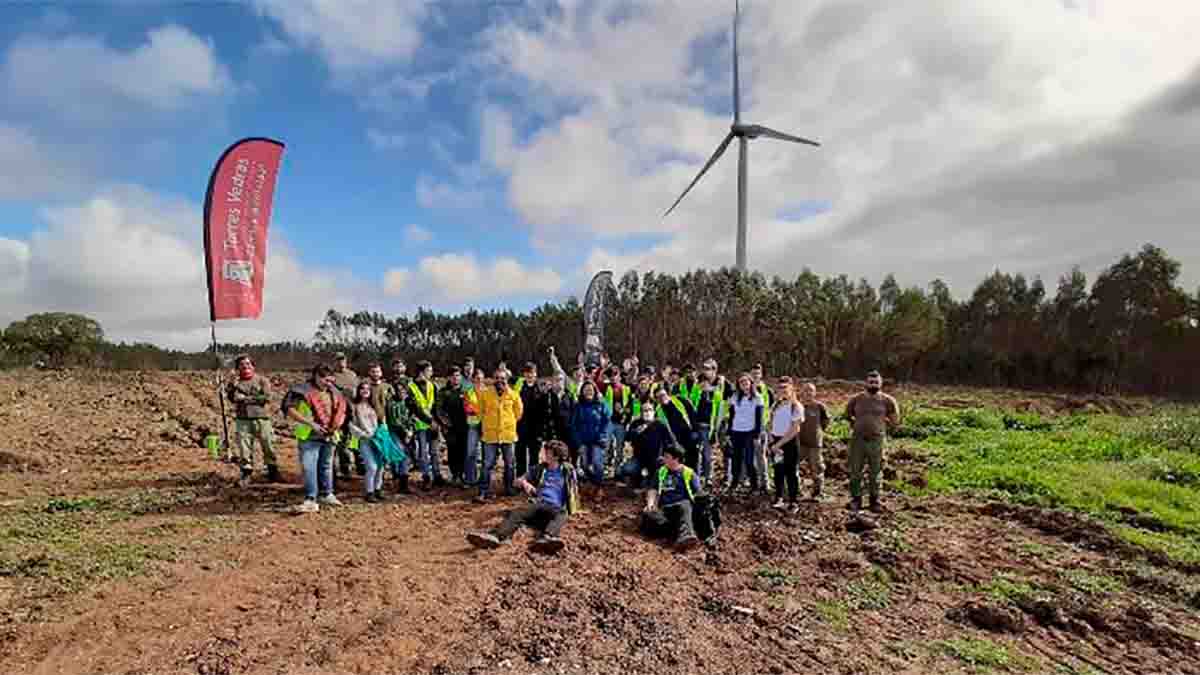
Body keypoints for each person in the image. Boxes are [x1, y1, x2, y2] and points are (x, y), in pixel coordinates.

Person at [465, 440, 579, 554]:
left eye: (548, 452)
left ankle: (547, 538)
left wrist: (573, 507)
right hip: (537, 504)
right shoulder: (540, 469)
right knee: (518, 512)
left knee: (562, 513)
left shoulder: (567, 470)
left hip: (554, 510)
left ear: (556, 456)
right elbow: (516, 482)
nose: (545, 455)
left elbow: (574, 492)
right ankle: (496, 536)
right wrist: (525, 483)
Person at [283, 364, 347, 513]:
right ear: (316, 376)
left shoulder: (335, 392)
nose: (327, 382)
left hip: (329, 435)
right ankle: (311, 499)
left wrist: (337, 424)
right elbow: (290, 409)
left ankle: (327, 494)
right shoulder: (301, 391)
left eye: (330, 379)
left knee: (326, 466)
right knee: (309, 467)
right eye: (324, 378)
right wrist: (311, 424)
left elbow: (343, 410)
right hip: (309, 435)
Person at [845, 371, 900, 513]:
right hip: (858, 440)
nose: (873, 384)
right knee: (855, 471)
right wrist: (855, 424)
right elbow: (847, 414)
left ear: (881, 383)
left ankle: (874, 501)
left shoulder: (888, 401)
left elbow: (895, 420)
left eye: (876, 382)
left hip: (877, 440)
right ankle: (856, 499)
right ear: (866, 383)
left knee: (875, 472)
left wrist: (882, 429)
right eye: (870, 382)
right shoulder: (856, 399)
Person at [225, 355, 279, 486]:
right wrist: (231, 385)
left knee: (268, 445)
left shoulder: (262, 381)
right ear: (238, 368)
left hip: (262, 418)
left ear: (253, 366)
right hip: (242, 419)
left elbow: (266, 398)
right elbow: (232, 398)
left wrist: (245, 399)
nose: (245, 367)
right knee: (244, 448)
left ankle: (273, 472)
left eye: (248, 364)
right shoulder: (236, 383)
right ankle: (246, 473)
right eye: (242, 365)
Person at [640, 446, 703, 551]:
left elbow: (698, 493)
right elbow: (653, 490)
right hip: (665, 508)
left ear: (676, 459)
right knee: (648, 515)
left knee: (685, 506)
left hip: (682, 508)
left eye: (667, 457)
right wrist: (650, 504)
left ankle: (686, 536)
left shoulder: (689, 473)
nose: (663, 459)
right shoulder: (661, 471)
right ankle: (674, 531)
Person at [477, 366, 524, 500]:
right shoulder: (485, 394)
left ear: (507, 380)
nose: (499, 381)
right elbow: (480, 412)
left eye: (502, 378)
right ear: (493, 379)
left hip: (508, 435)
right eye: (497, 378)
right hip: (490, 435)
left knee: (509, 464)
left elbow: (518, 412)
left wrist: (508, 423)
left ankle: (509, 488)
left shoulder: (513, 394)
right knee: (487, 464)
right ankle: (483, 490)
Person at [766, 378, 805, 510]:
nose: (783, 390)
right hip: (775, 441)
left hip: (789, 442)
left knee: (791, 472)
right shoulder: (776, 405)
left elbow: (795, 429)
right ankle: (779, 497)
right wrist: (771, 440)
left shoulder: (796, 406)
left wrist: (779, 445)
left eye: (785, 388)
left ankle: (793, 501)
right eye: (780, 388)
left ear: (791, 389)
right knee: (778, 471)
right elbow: (770, 423)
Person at [618, 404, 676, 489]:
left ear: (653, 412)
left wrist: (665, 457)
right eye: (645, 410)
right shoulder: (636, 423)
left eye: (650, 410)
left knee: (658, 477)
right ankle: (637, 481)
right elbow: (627, 438)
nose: (647, 412)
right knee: (626, 469)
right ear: (641, 413)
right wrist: (636, 432)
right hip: (638, 458)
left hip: (656, 458)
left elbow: (670, 442)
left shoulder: (660, 424)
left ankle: (652, 481)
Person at [349, 381, 388, 503]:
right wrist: (362, 434)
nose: (365, 391)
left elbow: (381, 422)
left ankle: (378, 489)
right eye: (362, 389)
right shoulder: (354, 406)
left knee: (380, 466)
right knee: (372, 466)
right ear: (358, 391)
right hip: (365, 441)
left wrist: (382, 432)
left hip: (378, 440)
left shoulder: (374, 406)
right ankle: (369, 492)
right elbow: (350, 424)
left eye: (367, 389)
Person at [726, 373, 764, 492]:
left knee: (749, 460)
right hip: (736, 432)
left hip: (750, 432)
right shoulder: (735, 397)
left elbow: (759, 418)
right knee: (736, 459)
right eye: (741, 382)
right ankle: (734, 482)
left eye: (746, 382)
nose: (744, 384)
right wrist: (729, 432)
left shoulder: (757, 398)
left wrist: (757, 435)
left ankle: (754, 485)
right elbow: (731, 416)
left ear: (750, 383)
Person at [407, 360, 442, 489]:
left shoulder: (432, 385)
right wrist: (430, 421)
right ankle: (426, 477)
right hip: (421, 424)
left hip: (433, 424)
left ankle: (437, 476)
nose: (431, 373)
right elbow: (415, 408)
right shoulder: (411, 387)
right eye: (429, 370)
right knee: (423, 452)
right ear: (422, 371)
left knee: (435, 451)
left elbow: (436, 406)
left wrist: (437, 422)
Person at [570, 381, 610, 483]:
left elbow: (606, 421)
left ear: (595, 391)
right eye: (586, 390)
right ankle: (589, 481)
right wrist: (579, 443)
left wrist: (602, 437)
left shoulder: (601, 404)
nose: (588, 392)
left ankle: (598, 483)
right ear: (582, 392)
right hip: (583, 441)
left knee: (597, 462)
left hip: (598, 440)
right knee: (585, 464)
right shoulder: (578, 406)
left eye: (590, 390)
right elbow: (574, 426)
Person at [513, 361, 547, 482]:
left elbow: (544, 412)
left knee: (534, 457)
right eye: (527, 373)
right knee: (520, 456)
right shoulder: (519, 387)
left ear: (535, 374)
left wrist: (542, 431)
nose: (529, 375)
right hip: (521, 428)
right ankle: (520, 480)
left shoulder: (541, 390)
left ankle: (533, 481)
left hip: (535, 430)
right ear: (524, 374)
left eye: (532, 373)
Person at [331, 352, 362, 481]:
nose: (341, 362)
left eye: (343, 360)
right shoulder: (332, 376)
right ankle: (345, 468)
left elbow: (359, 392)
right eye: (338, 360)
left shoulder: (352, 375)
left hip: (353, 412)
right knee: (342, 442)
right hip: (339, 413)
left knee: (357, 440)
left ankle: (361, 467)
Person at [798, 382, 831, 500]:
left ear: (814, 393)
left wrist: (819, 431)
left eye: (810, 390)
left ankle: (817, 492)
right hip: (799, 442)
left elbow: (826, 421)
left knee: (816, 467)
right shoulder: (797, 406)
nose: (808, 393)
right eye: (805, 390)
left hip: (815, 443)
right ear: (801, 392)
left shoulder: (819, 407)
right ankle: (797, 490)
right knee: (793, 466)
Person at [437, 367, 469, 486]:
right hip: (450, 428)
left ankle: (463, 475)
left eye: (457, 376)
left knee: (464, 451)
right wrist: (445, 423)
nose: (455, 378)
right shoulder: (444, 392)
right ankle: (455, 475)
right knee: (453, 451)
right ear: (449, 378)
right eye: (453, 376)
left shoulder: (466, 391)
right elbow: (439, 409)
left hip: (464, 427)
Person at [654, 386, 697, 468]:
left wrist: (695, 431)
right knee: (683, 460)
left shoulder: (680, 400)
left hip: (690, 433)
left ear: (668, 394)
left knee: (694, 458)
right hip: (676, 439)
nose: (662, 398)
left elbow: (692, 414)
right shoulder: (658, 411)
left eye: (663, 395)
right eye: (658, 397)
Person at [385, 379, 416, 494]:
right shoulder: (392, 404)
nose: (402, 393)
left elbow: (411, 418)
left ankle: (403, 482)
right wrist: (406, 433)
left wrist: (411, 430)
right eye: (399, 391)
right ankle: (398, 478)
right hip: (395, 432)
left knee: (406, 456)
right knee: (400, 453)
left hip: (407, 432)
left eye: (404, 391)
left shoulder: (407, 402)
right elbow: (395, 421)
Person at [602, 367, 630, 476]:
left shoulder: (627, 389)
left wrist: (626, 414)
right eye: (611, 376)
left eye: (615, 375)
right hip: (609, 421)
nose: (613, 378)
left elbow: (630, 405)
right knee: (606, 445)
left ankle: (617, 469)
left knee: (620, 446)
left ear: (619, 376)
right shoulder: (605, 388)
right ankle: (604, 468)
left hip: (621, 423)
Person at [750, 363, 773, 494]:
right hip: (747, 427)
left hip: (762, 427)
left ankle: (765, 482)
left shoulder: (767, 391)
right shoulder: (746, 390)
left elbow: (771, 410)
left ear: (761, 374)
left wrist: (769, 429)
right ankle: (752, 482)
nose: (756, 376)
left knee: (761, 456)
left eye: (758, 373)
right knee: (749, 457)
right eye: (753, 374)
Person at [463, 369, 485, 490]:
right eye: (477, 378)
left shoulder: (487, 392)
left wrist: (477, 410)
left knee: (485, 455)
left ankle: (483, 479)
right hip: (473, 426)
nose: (479, 380)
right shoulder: (468, 392)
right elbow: (467, 408)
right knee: (471, 452)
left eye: (481, 378)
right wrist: (480, 410)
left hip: (485, 426)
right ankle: (470, 479)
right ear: (473, 380)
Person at [544, 370, 575, 446]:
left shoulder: (570, 396)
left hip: (568, 435)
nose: (559, 382)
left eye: (561, 379)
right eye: (556, 380)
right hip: (552, 435)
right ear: (553, 381)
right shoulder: (546, 396)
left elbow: (574, 414)